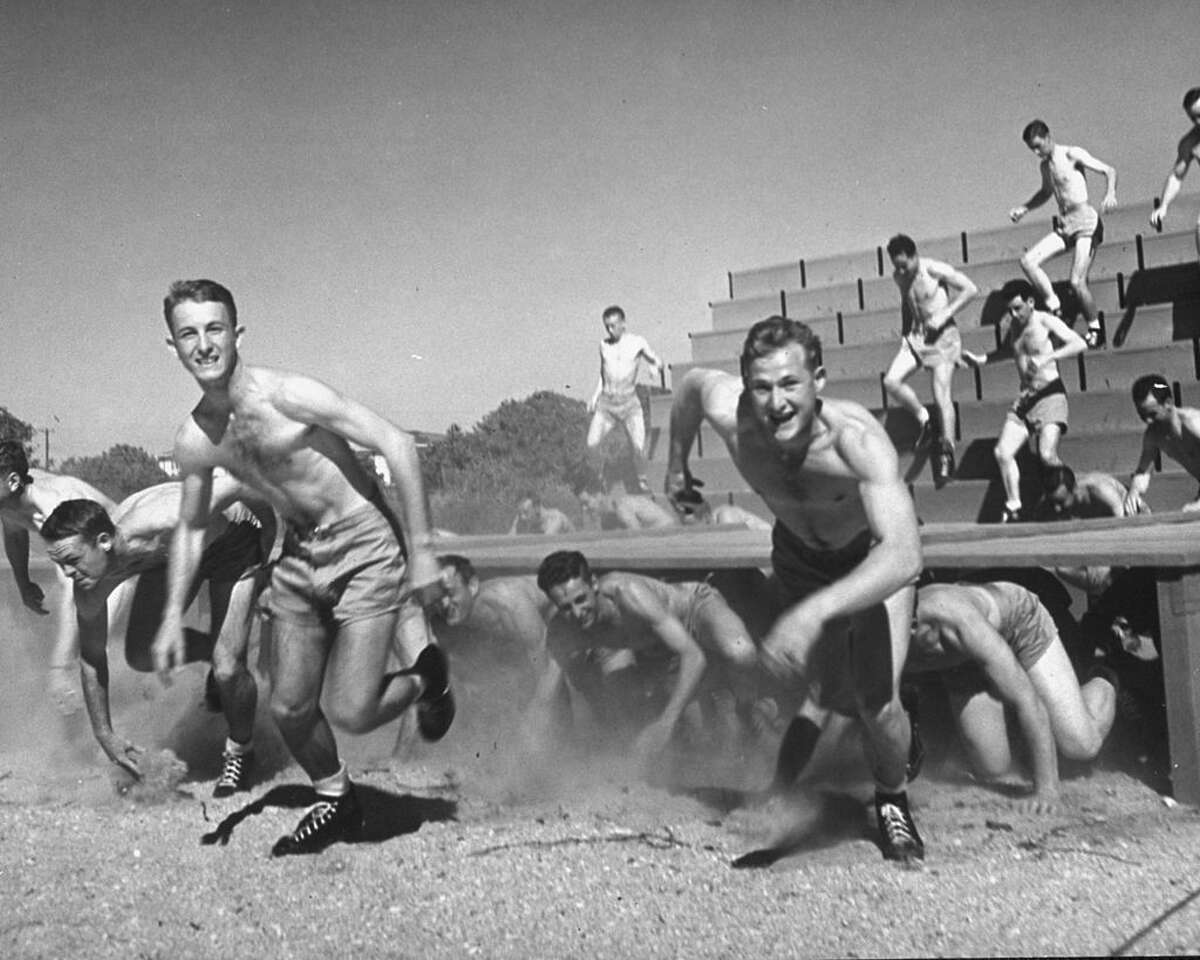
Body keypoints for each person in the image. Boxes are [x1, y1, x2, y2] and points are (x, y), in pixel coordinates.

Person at [153, 278, 453, 856]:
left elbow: (397, 444)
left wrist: (423, 554)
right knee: (289, 706)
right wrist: (171, 613)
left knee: (352, 709)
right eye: (188, 334)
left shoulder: (288, 394)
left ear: (238, 333)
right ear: (172, 347)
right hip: (299, 550)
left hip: (364, 540)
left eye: (215, 329)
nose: (204, 345)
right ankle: (336, 797)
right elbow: (190, 526)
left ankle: (427, 677)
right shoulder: (194, 440)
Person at [666, 315, 926, 862]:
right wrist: (675, 465)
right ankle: (876, 755)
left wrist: (811, 616)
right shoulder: (731, 415)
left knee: (878, 705)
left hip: (870, 561)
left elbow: (904, 554)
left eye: (790, 385)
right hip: (800, 556)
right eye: (762, 387)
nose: (776, 402)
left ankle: (892, 798)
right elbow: (689, 387)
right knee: (827, 691)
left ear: (819, 381)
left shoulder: (855, 441)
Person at [39, 478, 272, 796]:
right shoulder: (89, 586)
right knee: (141, 654)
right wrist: (105, 735)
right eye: (59, 563)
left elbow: (239, 486)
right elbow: (92, 655)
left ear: (104, 541)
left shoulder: (162, 518)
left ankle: (241, 751)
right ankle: (214, 655)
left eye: (72, 561)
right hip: (167, 556)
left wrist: (272, 537)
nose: (67, 574)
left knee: (229, 668)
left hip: (232, 540)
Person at [531, 550, 760, 770]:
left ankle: (748, 711)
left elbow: (693, 655)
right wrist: (524, 748)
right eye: (566, 607)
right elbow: (545, 692)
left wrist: (665, 723)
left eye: (581, 599)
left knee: (741, 653)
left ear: (594, 583)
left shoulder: (629, 594)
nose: (578, 612)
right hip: (657, 651)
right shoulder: (562, 630)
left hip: (694, 611)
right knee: (628, 712)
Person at [907, 582, 1116, 811]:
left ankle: (1106, 675)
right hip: (964, 659)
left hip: (1016, 623)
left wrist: (1046, 789)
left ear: (915, 626)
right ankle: (1017, 715)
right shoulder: (875, 634)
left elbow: (1027, 700)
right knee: (994, 769)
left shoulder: (958, 622)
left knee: (1080, 745)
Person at [0, 440, 120, 707]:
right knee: (74, 644)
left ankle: (129, 710)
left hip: (119, 560)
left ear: (13, 481)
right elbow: (14, 534)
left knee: (88, 649)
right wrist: (23, 583)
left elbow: (71, 592)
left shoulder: (52, 508)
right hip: (91, 564)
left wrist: (58, 669)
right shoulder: (8, 499)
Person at [963, 279, 1088, 522]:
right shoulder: (1015, 327)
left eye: (1017, 308)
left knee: (1047, 455)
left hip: (1050, 394)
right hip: (1026, 398)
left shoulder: (1045, 321)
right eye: (1009, 309)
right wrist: (981, 360)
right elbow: (1009, 352)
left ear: (1031, 302)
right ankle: (1014, 505)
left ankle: (1069, 500)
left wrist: (1047, 357)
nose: (1012, 314)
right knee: (1002, 452)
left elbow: (1079, 343)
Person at [1008, 119, 1117, 348]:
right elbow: (1046, 192)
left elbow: (1109, 170)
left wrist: (1110, 193)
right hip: (1066, 224)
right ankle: (1054, 305)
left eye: (1038, 146)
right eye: (1032, 149)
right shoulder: (1045, 166)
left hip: (1086, 222)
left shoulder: (1071, 154)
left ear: (1048, 137)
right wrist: (1025, 208)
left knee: (1076, 282)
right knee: (1028, 262)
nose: (1037, 152)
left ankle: (1096, 328)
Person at [880, 234, 978, 482]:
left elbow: (970, 289)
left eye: (905, 264)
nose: (902, 270)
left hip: (943, 337)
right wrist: (905, 333)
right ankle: (925, 419)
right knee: (891, 381)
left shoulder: (933, 269)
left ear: (914, 255)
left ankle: (946, 451)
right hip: (917, 337)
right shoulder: (899, 276)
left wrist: (945, 314)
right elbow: (906, 302)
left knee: (941, 394)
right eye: (897, 265)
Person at [432, 553, 555, 690]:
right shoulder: (440, 616)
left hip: (556, 608)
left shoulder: (508, 602)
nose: (443, 604)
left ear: (472, 586)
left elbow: (547, 669)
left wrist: (537, 709)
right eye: (436, 597)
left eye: (450, 593)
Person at [586, 305, 664, 494]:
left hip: (629, 404)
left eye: (614, 325)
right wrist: (595, 396)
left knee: (638, 447)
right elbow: (603, 373)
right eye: (607, 326)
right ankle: (601, 478)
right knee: (591, 444)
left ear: (623, 324)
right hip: (607, 404)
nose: (610, 330)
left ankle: (642, 480)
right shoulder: (603, 345)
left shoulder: (637, 342)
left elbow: (657, 361)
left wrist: (654, 369)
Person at [1126, 374, 1200, 513]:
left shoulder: (1193, 423)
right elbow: (1143, 471)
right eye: (1142, 415)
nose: (1147, 421)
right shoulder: (1153, 435)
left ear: (1168, 403)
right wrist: (1134, 493)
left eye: (1152, 414)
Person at [1149, 87, 1200, 265]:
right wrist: (1163, 206)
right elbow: (1177, 177)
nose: (1199, 121)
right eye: (1194, 118)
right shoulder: (1190, 143)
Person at [574, 471, 677, 530]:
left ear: (598, 496)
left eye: (586, 503)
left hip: (670, 534)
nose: (585, 509)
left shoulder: (621, 508)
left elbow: (638, 539)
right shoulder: (608, 519)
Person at [508, 493, 575, 536]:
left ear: (537, 508)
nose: (522, 517)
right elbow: (510, 537)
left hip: (555, 519)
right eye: (520, 513)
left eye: (525, 512)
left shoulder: (554, 518)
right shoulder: (523, 517)